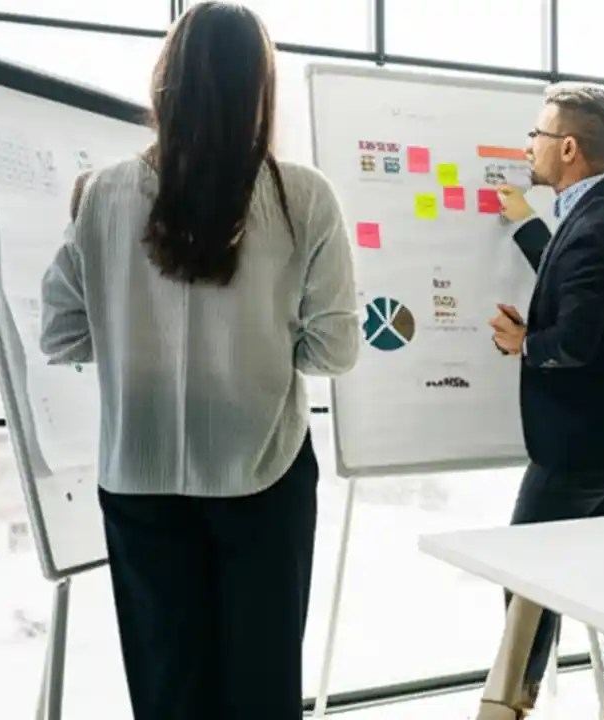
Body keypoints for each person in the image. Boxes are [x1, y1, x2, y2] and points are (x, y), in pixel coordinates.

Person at [39, 4, 358, 718]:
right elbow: (335, 348)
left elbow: (59, 333)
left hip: (138, 480)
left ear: (166, 82)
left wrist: (129, 338)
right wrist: (269, 348)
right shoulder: (302, 195)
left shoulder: (100, 193)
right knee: (261, 689)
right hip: (263, 475)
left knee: (167, 690)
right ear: (258, 87)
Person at [490, 85, 604, 720]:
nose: (526, 146)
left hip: (577, 444)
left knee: (528, 578)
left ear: (567, 147)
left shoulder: (601, 223)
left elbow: (578, 342)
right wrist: (527, 224)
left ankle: (510, 701)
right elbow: (575, 279)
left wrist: (524, 342)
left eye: (535, 134)